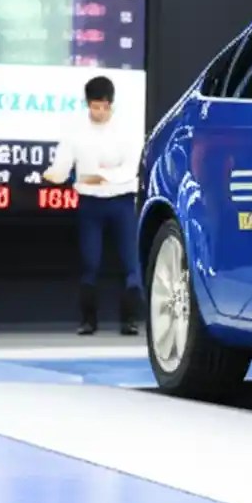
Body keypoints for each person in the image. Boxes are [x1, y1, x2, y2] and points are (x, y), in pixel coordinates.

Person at [42, 76, 143, 336]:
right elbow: (63, 164)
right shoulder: (75, 131)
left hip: (121, 201)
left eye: (104, 107)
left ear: (111, 104)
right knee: (90, 264)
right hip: (90, 205)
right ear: (88, 104)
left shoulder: (127, 129)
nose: (99, 112)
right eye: (94, 107)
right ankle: (88, 321)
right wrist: (56, 174)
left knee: (130, 264)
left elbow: (130, 168)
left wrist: (104, 176)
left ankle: (130, 320)